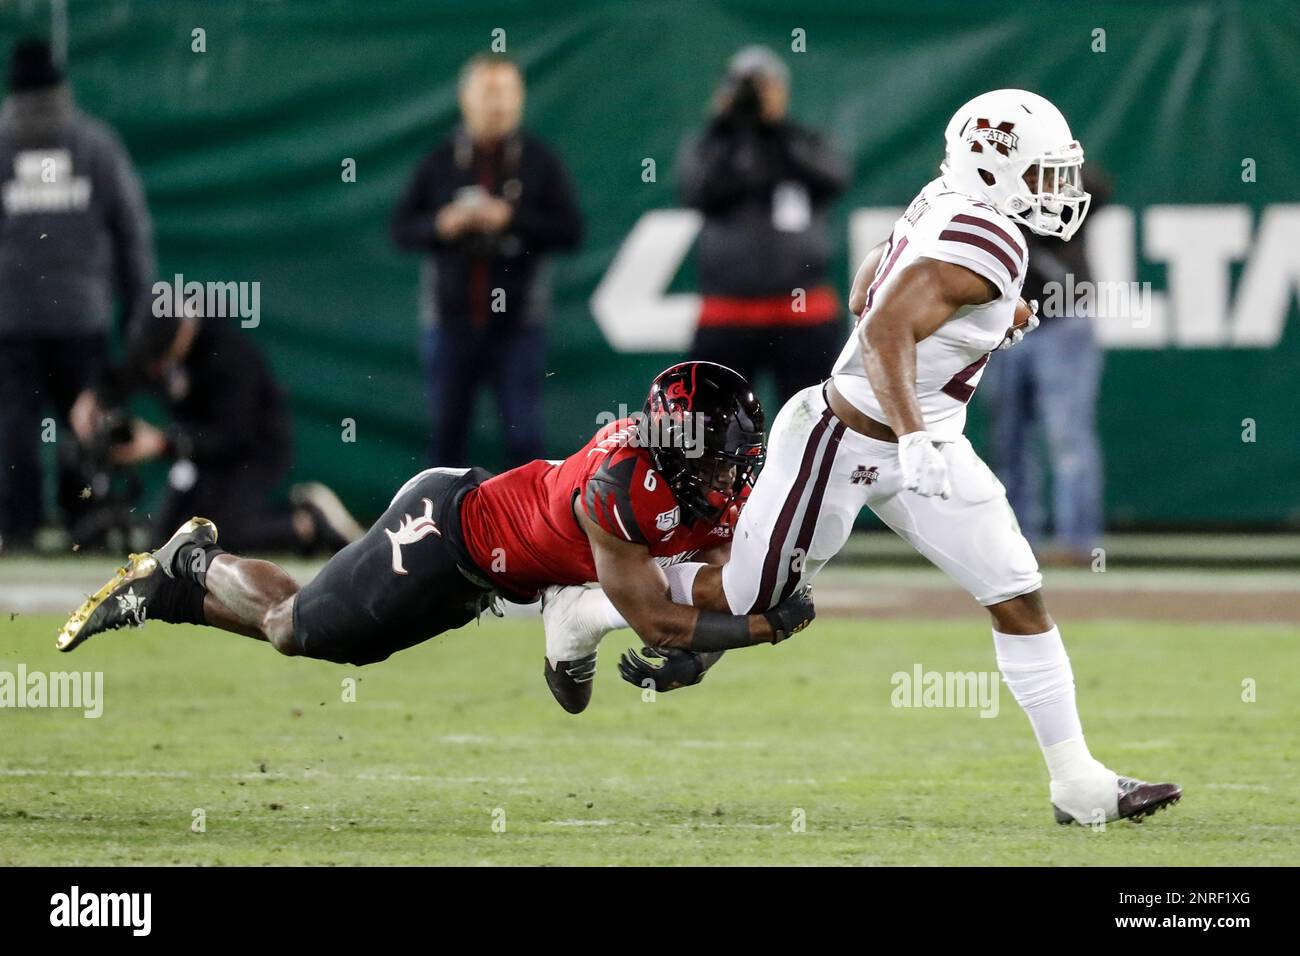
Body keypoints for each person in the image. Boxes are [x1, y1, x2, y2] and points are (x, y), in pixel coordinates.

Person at [544, 90, 1180, 826]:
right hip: (839, 442)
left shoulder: (950, 199)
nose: (1056, 192)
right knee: (747, 601)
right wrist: (914, 430)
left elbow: (864, 284)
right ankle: (588, 609)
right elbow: (880, 331)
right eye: (1041, 174)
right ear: (994, 169)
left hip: (927, 442)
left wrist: (977, 323)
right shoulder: (991, 240)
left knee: (1016, 592)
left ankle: (1077, 782)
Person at [55, 362, 816, 719]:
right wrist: (762, 629)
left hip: (508, 566)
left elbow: (722, 577)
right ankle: (189, 566)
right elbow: (658, 619)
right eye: (718, 459)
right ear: (677, 451)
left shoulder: (705, 477)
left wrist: (710, 652)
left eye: (736, 458)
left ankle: (178, 586)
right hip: (447, 534)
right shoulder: (622, 482)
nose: (732, 477)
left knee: (342, 643)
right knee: (299, 631)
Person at [392, 54, 583, 469]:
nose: (497, 105)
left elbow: (570, 231)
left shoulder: (539, 161)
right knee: (445, 438)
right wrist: (442, 225)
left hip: (519, 328)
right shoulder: (440, 161)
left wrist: (512, 219)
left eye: (506, 94)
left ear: (520, 99)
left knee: (525, 437)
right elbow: (401, 229)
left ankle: (532, 533)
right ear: (465, 98)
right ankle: (437, 531)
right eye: (487, 93)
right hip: (449, 324)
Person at [0, 38, 155, 551]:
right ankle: (84, 526)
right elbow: (131, 230)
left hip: (13, 320)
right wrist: (140, 305)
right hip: (81, 317)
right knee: (85, 422)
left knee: (16, 429)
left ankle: (18, 530)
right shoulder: (95, 143)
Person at [68, 307, 362, 555]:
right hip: (200, 456)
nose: (158, 368)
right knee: (172, 540)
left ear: (184, 331)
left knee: (221, 536)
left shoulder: (230, 355)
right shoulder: (160, 343)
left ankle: (308, 523)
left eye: (163, 357)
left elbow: (232, 434)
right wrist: (93, 398)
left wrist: (164, 444)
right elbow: (128, 373)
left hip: (254, 452)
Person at [677, 45, 849, 406]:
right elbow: (696, 189)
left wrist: (775, 132)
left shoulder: (800, 140)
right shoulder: (712, 144)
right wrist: (728, 129)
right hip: (728, 312)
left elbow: (834, 177)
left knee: (810, 419)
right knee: (713, 421)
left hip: (801, 312)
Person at [979, 171, 1112, 564]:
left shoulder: (1057, 183)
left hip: (1061, 319)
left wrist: (1036, 178)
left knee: (1067, 437)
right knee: (1008, 441)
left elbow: (1098, 189)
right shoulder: (983, 189)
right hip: (1005, 325)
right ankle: (1017, 542)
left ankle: (1079, 543)